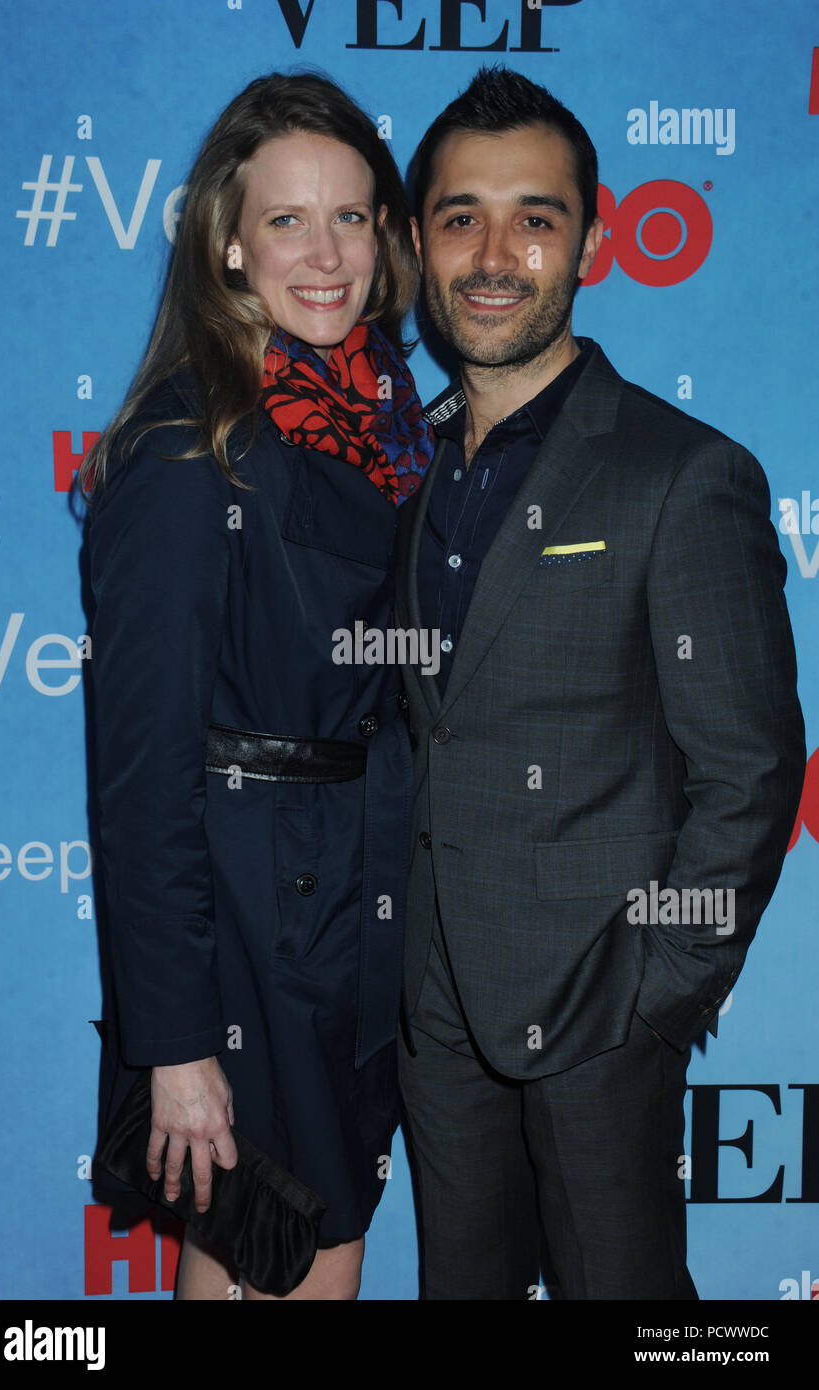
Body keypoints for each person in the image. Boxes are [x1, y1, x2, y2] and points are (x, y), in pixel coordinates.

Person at [395, 66, 806, 1300]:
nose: (494, 253)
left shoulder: (682, 474)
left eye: (536, 216)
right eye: (461, 216)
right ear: (418, 243)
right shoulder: (403, 469)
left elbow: (748, 770)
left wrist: (656, 997)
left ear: (594, 238)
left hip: (602, 1012)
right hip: (435, 1008)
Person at [83, 71, 432, 1301]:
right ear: (228, 240)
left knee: (293, 1243)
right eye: (288, 219)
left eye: (352, 216)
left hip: (355, 895)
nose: (326, 253)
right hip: (248, 916)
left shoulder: (392, 426)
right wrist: (175, 1043)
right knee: (293, 1243)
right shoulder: (190, 450)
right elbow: (141, 773)